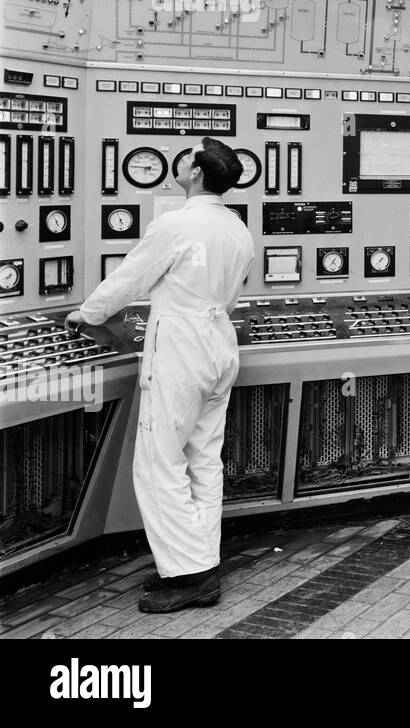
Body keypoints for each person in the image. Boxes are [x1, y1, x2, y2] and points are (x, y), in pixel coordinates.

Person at [66, 137, 254, 614]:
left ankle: (188, 576)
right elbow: (229, 296)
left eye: (188, 155)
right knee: (204, 460)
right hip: (219, 343)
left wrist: (86, 315)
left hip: (182, 348)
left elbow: (131, 279)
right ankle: (198, 562)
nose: (181, 158)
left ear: (195, 172)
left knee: (159, 463)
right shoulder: (238, 229)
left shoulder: (176, 223)